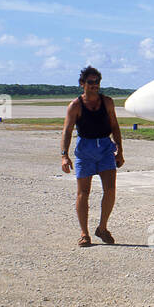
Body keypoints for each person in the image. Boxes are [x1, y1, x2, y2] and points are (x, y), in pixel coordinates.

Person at [61, 66, 124, 246]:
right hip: (85, 149)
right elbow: (67, 131)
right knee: (83, 192)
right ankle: (84, 233)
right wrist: (64, 156)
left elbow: (115, 126)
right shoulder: (75, 105)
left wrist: (120, 150)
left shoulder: (107, 102)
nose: (94, 85)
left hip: (105, 147)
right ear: (82, 84)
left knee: (110, 190)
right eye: (90, 82)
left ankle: (102, 228)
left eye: (97, 82)